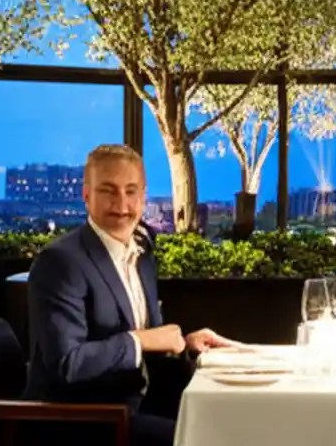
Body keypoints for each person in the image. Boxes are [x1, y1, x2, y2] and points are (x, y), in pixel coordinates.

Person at [24, 144, 237, 446]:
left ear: (143, 196)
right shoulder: (60, 262)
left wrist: (183, 345)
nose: (121, 204)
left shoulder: (141, 252)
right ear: (86, 195)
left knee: (237, 419)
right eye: (108, 191)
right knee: (208, 440)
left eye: (131, 191)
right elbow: (67, 363)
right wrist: (142, 340)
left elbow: (149, 341)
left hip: (139, 402)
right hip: (84, 420)